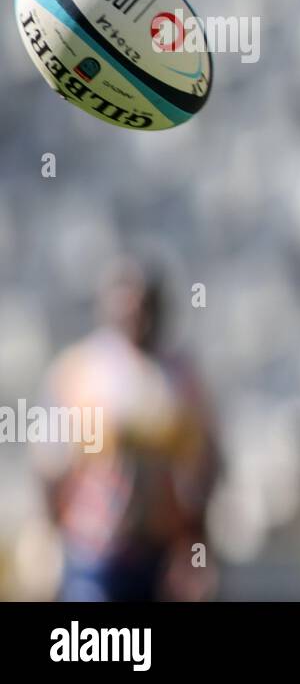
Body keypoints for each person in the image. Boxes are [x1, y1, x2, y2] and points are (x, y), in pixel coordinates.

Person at [36, 257, 220, 601]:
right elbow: (49, 468)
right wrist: (52, 538)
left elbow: (206, 466)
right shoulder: (80, 373)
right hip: (95, 550)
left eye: (144, 304)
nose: (136, 315)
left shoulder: (181, 378)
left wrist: (196, 547)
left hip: (161, 550)